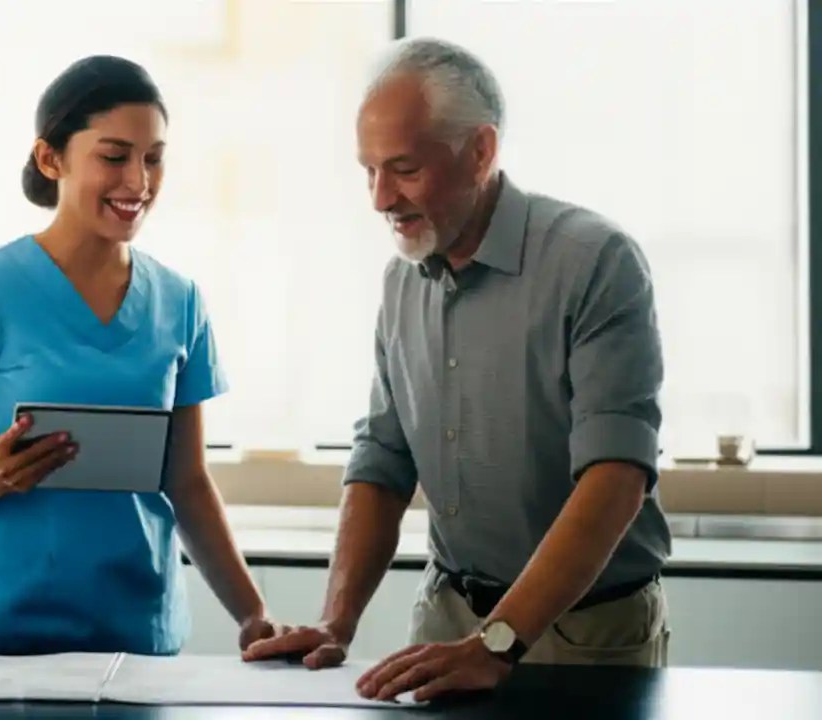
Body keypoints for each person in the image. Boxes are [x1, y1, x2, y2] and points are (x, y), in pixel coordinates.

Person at [243, 36, 671, 701]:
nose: (381, 198)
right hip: (447, 619)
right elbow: (382, 461)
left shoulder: (595, 261)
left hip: (586, 633)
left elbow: (616, 477)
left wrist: (497, 641)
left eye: (405, 169)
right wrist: (337, 620)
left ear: (481, 151)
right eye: (369, 171)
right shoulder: (400, 281)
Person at [0, 55, 281, 656]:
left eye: (153, 158)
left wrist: (253, 616)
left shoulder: (179, 300)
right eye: (114, 156)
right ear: (51, 158)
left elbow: (186, 482)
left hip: (136, 638)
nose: (139, 181)